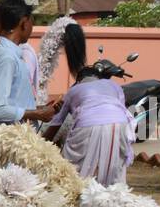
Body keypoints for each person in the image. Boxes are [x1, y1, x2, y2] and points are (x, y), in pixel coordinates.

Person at [42, 23, 135, 184]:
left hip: (88, 126)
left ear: (79, 80)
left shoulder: (74, 91)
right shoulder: (114, 86)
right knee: (113, 177)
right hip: (120, 127)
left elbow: (55, 126)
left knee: (74, 177)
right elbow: (122, 113)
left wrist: (37, 146)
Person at [0, 0, 57, 128]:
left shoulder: (10, 53)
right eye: (31, 22)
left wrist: (38, 110)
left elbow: (14, 101)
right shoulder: (7, 57)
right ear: (24, 23)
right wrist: (37, 114)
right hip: (9, 139)